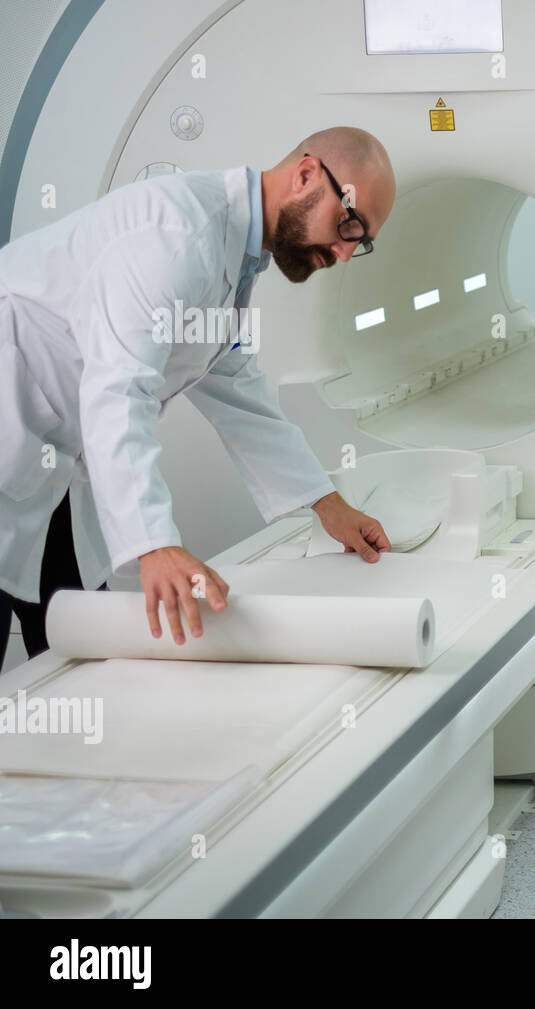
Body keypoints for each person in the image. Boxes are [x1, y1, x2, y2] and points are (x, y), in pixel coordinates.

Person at [0, 126, 398, 668]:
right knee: (69, 634)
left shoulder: (235, 252)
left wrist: (327, 504)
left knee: (77, 642)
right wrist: (154, 545)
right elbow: (119, 389)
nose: (345, 251)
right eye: (348, 224)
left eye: (361, 240)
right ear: (307, 174)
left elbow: (234, 382)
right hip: (15, 426)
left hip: (48, 457)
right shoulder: (177, 238)